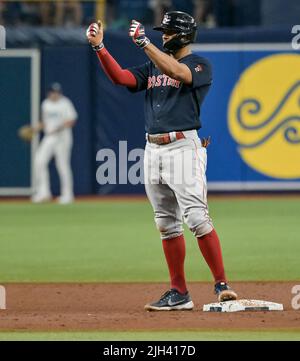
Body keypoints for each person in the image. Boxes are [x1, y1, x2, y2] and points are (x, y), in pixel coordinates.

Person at [86, 11, 238, 311]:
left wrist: (144, 43)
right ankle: (179, 292)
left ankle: (222, 284)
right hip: (153, 148)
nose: (164, 36)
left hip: (183, 146)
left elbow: (180, 74)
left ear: (182, 35)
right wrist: (99, 48)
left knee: (196, 217)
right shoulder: (153, 65)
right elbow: (121, 78)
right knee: (166, 224)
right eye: (162, 32)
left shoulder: (199, 64)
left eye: (168, 32)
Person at [32, 82, 77, 205]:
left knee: (62, 165)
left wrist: (58, 128)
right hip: (49, 137)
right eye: (52, 92)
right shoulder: (46, 104)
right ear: (49, 93)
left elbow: (72, 120)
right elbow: (46, 122)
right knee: (39, 161)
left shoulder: (65, 103)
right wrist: (36, 128)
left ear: (59, 93)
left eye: (56, 92)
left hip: (63, 137)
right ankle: (44, 193)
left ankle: (68, 195)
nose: (54, 94)